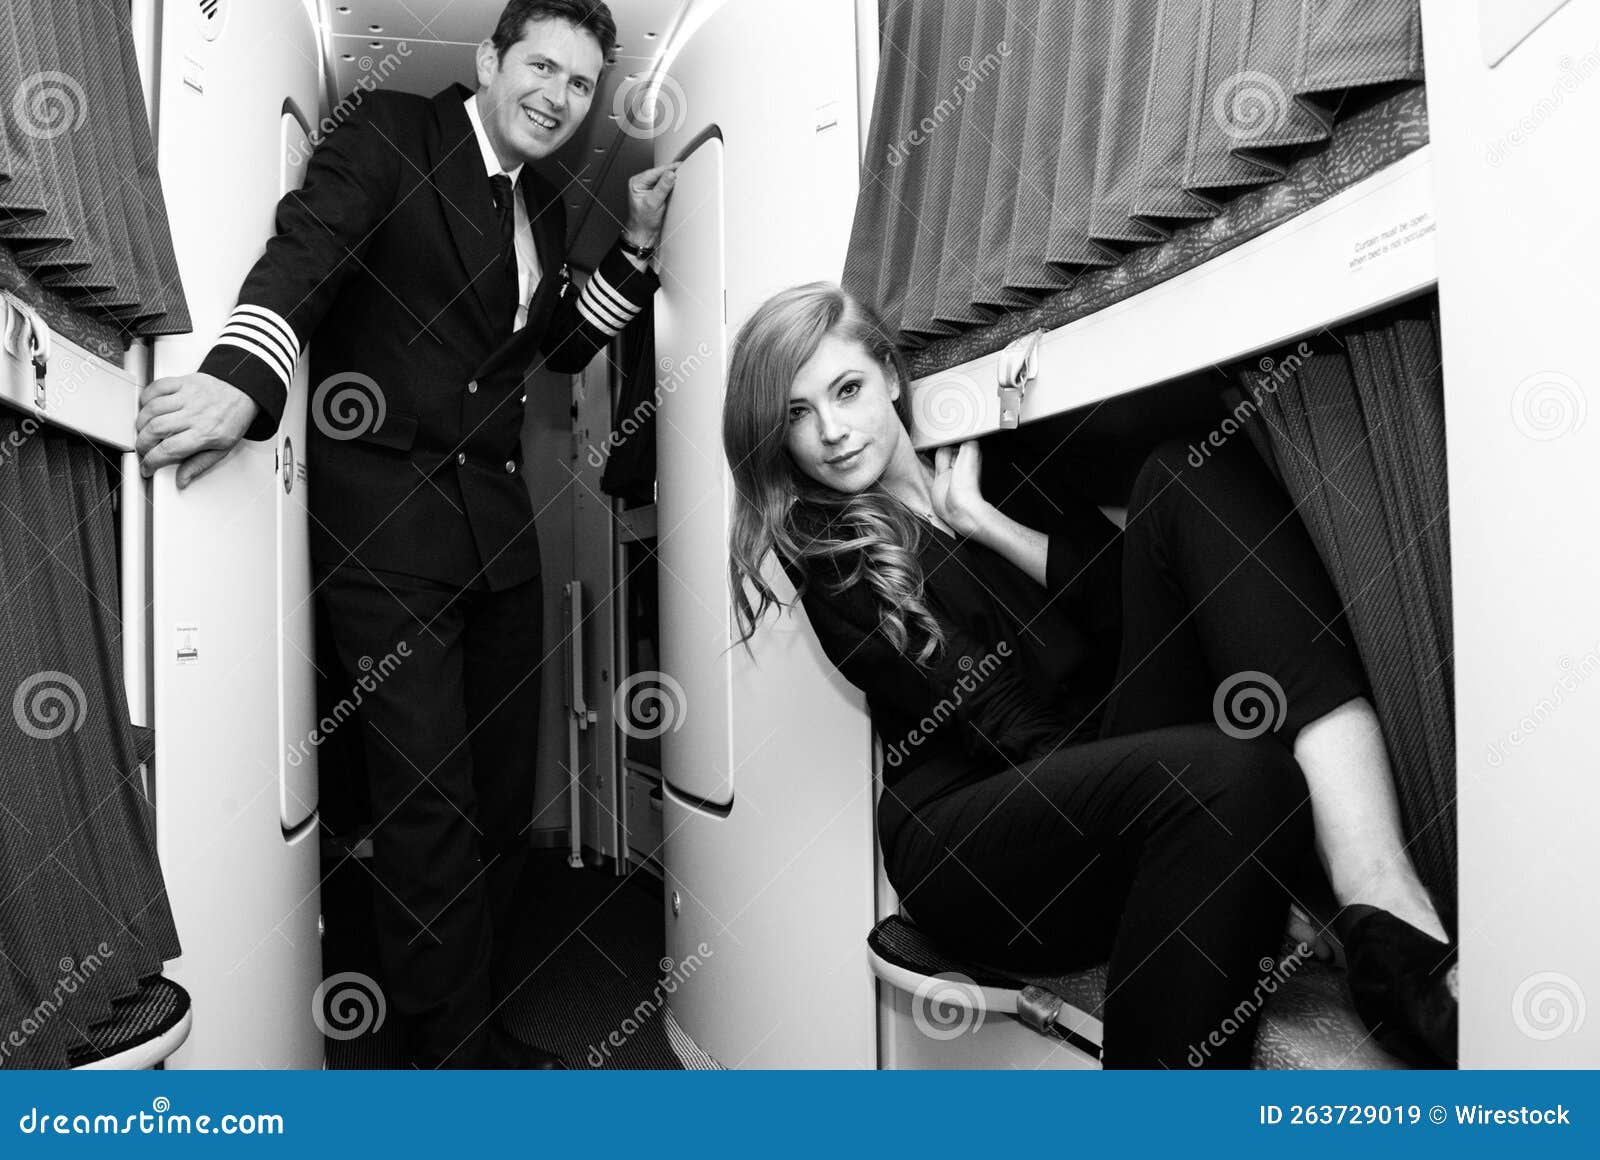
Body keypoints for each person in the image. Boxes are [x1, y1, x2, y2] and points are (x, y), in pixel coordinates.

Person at [134, 0, 677, 1069]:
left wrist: (640, 249)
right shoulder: (390, 130)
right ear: (489, 58)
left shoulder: (554, 205)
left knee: (499, 808)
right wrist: (242, 378)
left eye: (579, 83)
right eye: (541, 66)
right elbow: (307, 253)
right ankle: (450, 1059)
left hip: (498, 542)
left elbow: (559, 350)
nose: (558, 98)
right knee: (424, 808)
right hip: (383, 526)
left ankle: (467, 1013)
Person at [721, 283, 1457, 1069]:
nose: (830, 431)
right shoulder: (832, 553)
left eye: (846, 390)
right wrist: (1197, 816)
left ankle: (1379, 893)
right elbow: (1007, 723)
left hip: (1091, 759)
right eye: (797, 415)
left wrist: (984, 525)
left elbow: (1130, 601)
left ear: (892, 377)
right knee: (1237, 777)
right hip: (976, 835)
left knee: (1182, 475)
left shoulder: (988, 470)